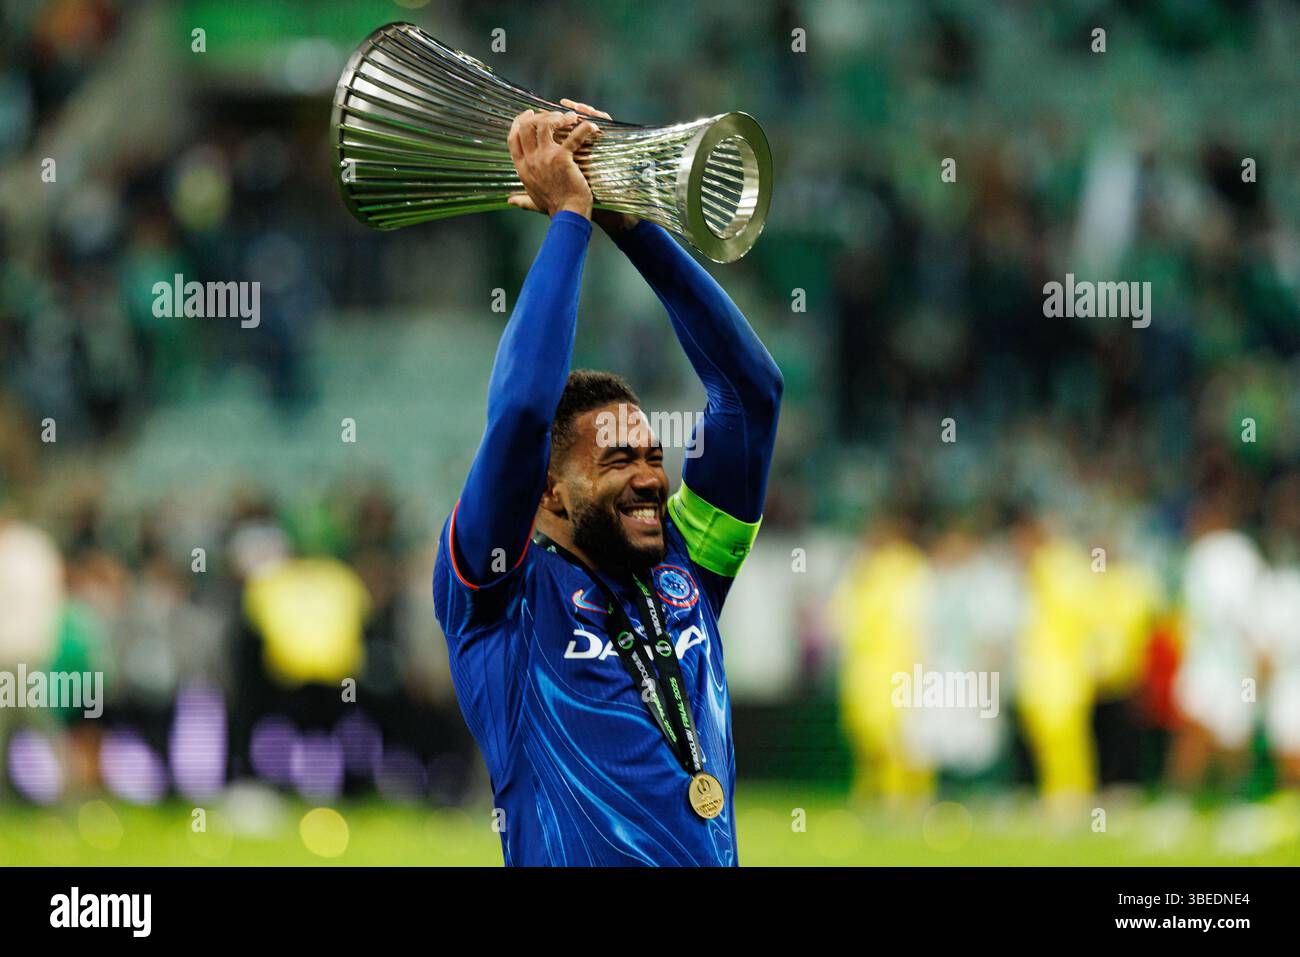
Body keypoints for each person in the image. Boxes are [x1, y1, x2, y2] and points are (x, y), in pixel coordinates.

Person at [432, 101, 783, 865]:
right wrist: (569, 220)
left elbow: (752, 396)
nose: (652, 478)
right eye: (618, 462)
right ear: (548, 491)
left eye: (653, 455)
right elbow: (524, 410)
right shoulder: (499, 602)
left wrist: (631, 219)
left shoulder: (686, 571)